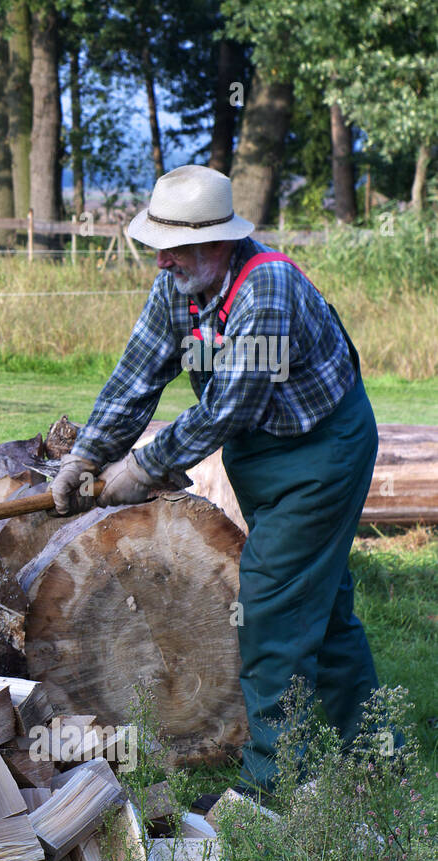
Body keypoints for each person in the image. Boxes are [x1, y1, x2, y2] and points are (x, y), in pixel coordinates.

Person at [50, 164, 380, 801]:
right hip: (265, 454)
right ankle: (371, 747)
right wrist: (86, 457)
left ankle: (272, 784)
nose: (161, 262)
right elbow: (137, 374)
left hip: (322, 455)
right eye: (159, 247)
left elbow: (228, 407)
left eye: (173, 248)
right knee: (324, 607)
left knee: (270, 606)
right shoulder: (181, 284)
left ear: (217, 242)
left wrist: (142, 467)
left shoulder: (268, 288)